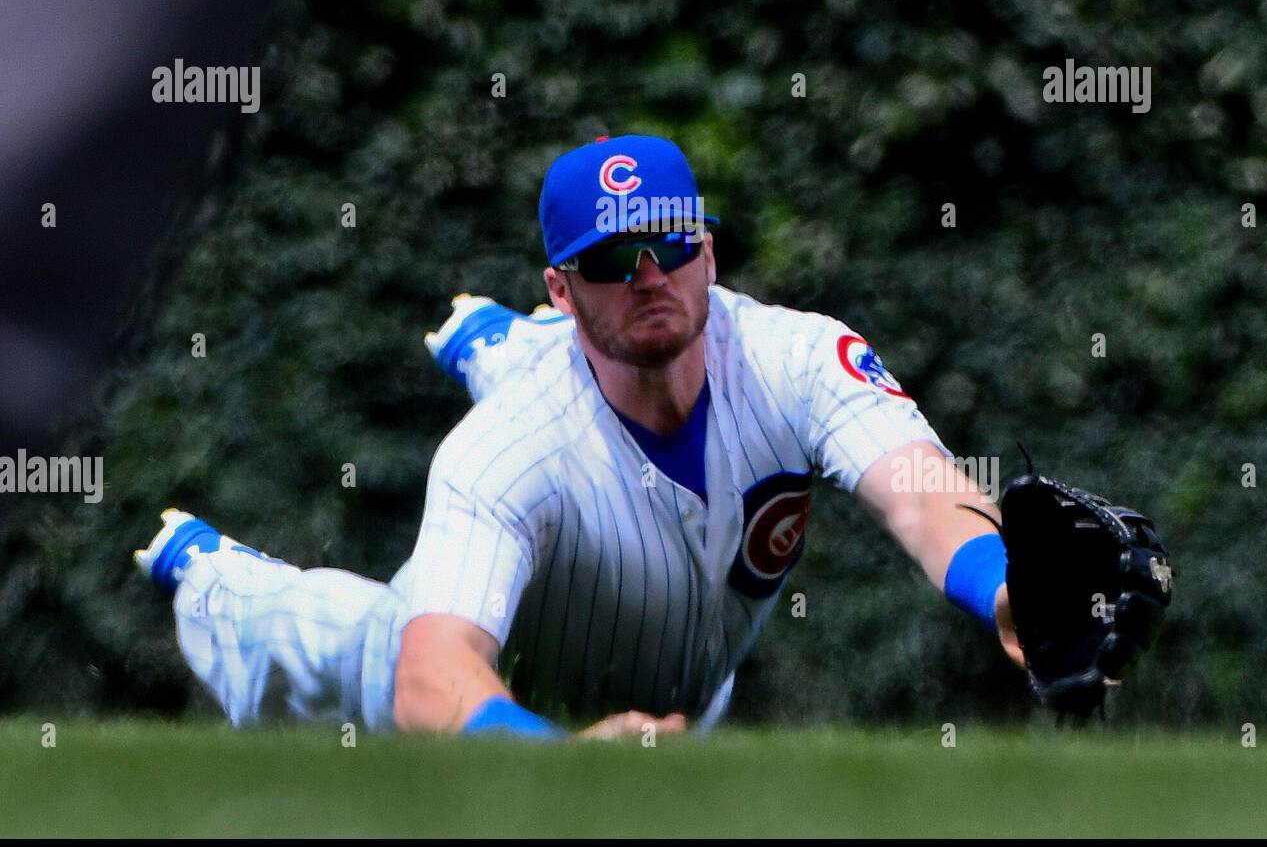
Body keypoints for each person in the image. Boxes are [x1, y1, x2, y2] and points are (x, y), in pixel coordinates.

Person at [134, 134, 1024, 739]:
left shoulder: (797, 355)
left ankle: (498, 344)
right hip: (511, 683)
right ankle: (216, 577)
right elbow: (426, 676)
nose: (647, 277)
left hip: (678, 688)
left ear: (708, 250)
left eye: (669, 244)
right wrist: (554, 759)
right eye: (608, 260)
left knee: (606, 370)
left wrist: (1007, 585)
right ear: (562, 287)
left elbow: (919, 487)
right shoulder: (501, 454)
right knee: (337, 638)